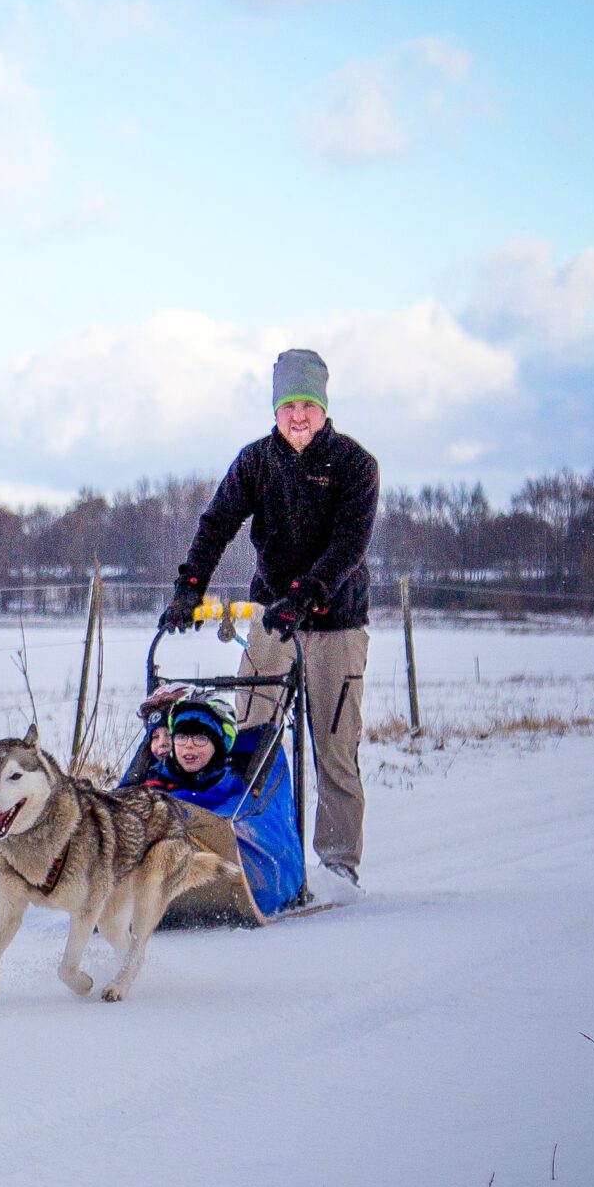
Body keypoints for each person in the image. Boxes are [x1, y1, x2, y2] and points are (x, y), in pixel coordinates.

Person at [158, 348, 378, 887]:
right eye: (287, 405)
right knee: (250, 741)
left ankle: (337, 867)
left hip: (335, 624)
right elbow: (217, 523)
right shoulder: (256, 461)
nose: (297, 416)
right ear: (275, 410)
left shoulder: (355, 464)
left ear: (324, 408)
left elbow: (350, 545)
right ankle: (250, 855)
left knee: (335, 753)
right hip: (271, 620)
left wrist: (305, 595)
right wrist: (191, 587)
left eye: (307, 404)